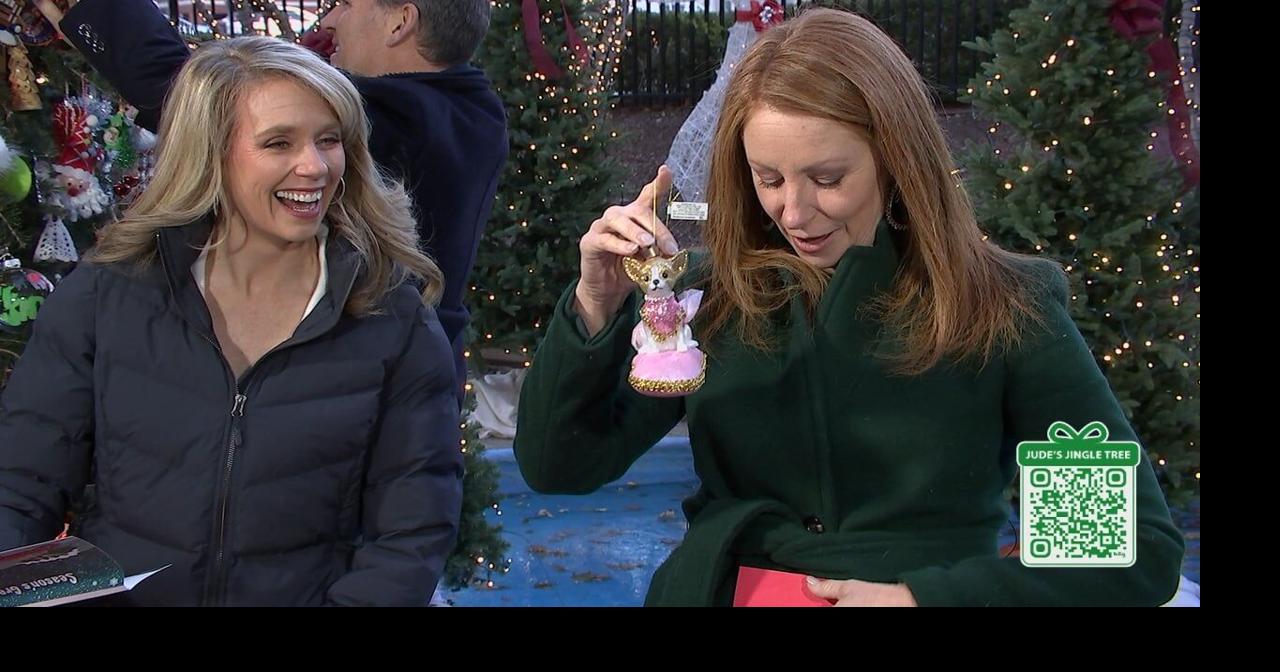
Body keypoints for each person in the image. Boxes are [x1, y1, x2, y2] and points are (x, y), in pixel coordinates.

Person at [512, 8, 1185, 606]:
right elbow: (560, 467)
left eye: (827, 179)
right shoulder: (703, 301)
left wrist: (928, 598)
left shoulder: (1005, 305)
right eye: (768, 179)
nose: (795, 213)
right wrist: (595, 304)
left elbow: (1128, 551)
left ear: (896, 159)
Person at [0, 37, 463, 607]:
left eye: (329, 140)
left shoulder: (392, 316)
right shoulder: (108, 293)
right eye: (278, 143)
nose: (314, 167)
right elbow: (19, 486)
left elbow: (409, 535)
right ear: (210, 153)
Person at [45, 0, 508, 394]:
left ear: (400, 21)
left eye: (347, 3)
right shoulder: (473, 109)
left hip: (358, 383)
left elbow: (205, 101)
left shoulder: (402, 115)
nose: (329, 20)